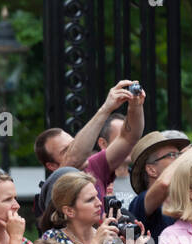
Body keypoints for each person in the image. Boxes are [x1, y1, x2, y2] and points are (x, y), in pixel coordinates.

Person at [32, 80, 146, 211]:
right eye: (66, 150)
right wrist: (105, 109)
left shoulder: (94, 166)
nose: (77, 148)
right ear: (52, 166)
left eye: (74, 143)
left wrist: (135, 106)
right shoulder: (56, 187)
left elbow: (128, 138)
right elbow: (75, 157)